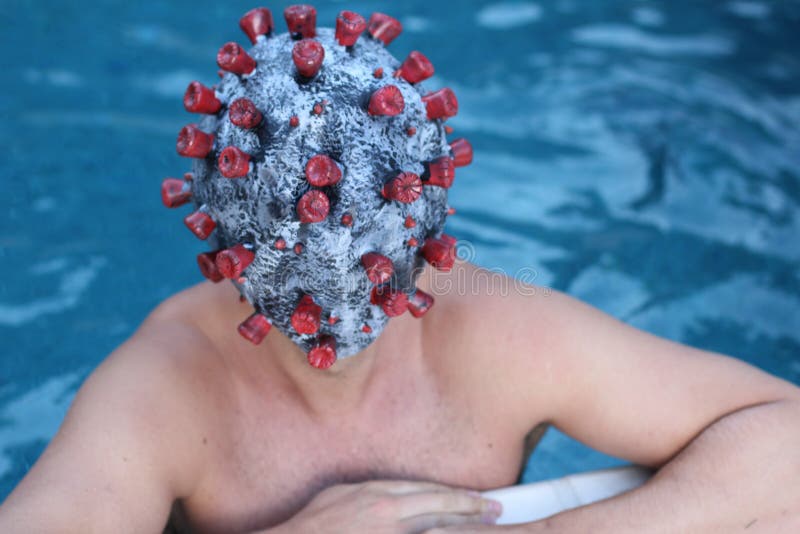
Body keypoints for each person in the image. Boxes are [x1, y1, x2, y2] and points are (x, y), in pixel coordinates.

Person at [1, 258, 799, 533]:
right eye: (297, 244)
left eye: (365, 243)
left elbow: (786, 433)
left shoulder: (496, 327)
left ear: (425, 228)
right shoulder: (164, 384)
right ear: (230, 246)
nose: (333, 278)